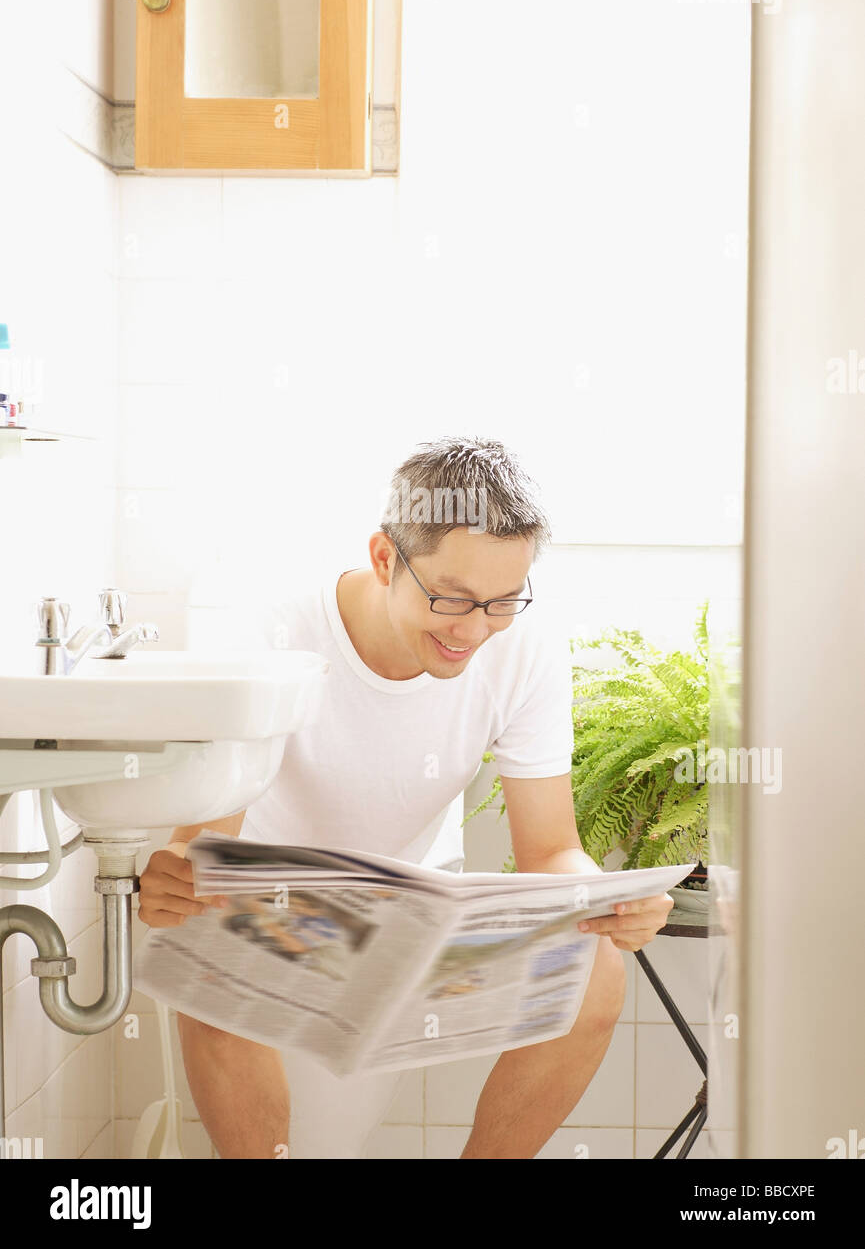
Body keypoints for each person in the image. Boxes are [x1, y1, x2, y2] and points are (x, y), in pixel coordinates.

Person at [137, 436, 673, 1158]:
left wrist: (603, 899)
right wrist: (176, 876)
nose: (473, 629)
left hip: (419, 922)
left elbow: (550, 850)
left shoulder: (524, 653)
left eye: (501, 602)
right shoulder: (277, 633)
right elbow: (201, 845)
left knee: (597, 971)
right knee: (211, 945)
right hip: (274, 919)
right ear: (385, 558)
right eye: (450, 599)